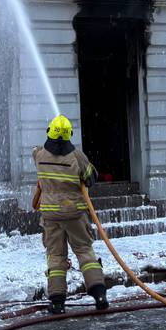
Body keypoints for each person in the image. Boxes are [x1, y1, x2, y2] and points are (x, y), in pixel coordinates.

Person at [31, 114, 109, 315]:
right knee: (84, 251)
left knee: (56, 257)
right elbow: (91, 178)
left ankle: (57, 302)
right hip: (75, 214)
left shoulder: (39, 155)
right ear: (69, 135)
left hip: (51, 216)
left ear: (49, 132)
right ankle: (99, 294)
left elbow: (35, 152)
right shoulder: (77, 156)